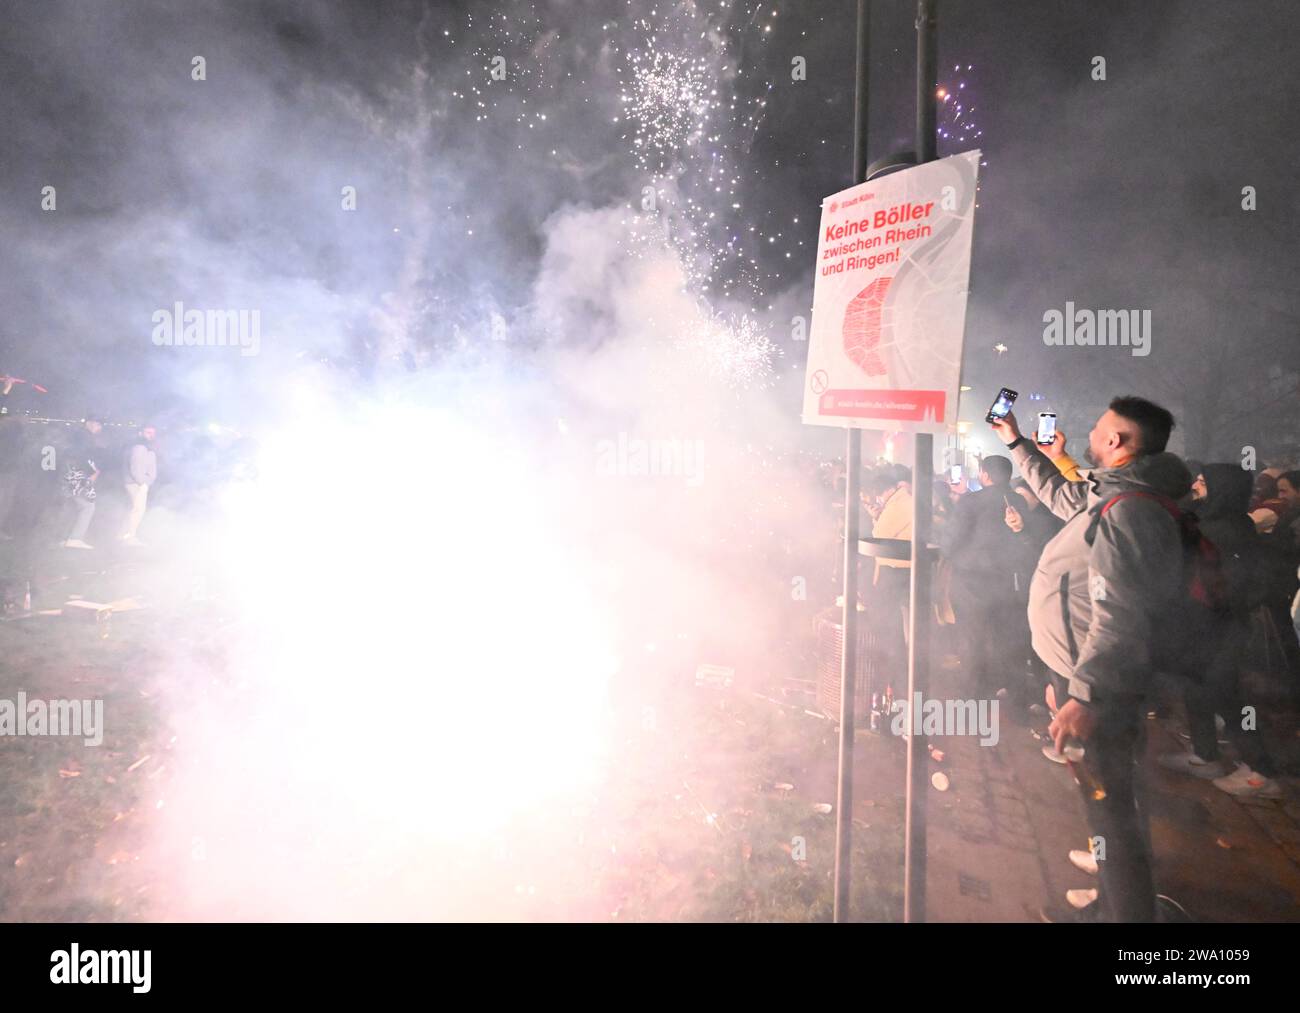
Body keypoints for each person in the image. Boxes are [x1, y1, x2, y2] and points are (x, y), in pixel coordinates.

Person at [991, 396, 1190, 923]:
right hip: (1081, 668)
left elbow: (1122, 611)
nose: (1090, 433)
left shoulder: (1131, 510)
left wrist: (1086, 695)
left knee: (1111, 808)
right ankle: (1112, 888)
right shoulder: (1114, 495)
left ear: (1117, 442)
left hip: (1096, 680)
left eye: (1099, 427)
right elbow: (1059, 494)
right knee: (1107, 796)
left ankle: (1125, 921)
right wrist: (1015, 442)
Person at [1158, 464, 1281, 796]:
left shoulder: (1222, 530)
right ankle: (1205, 755)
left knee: (1226, 695)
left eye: (1203, 481)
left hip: (1221, 627)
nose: (1196, 484)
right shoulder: (1216, 521)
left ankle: (1260, 772)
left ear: (1222, 489)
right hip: (1202, 624)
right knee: (1196, 688)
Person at [941, 455, 1021, 703]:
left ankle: (971, 692)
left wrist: (946, 552)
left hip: (971, 581)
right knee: (999, 634)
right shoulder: (1017, 500)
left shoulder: (971, 501)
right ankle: (1002, 686)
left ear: (984, 475)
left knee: (971, 636)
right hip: (1005, 579)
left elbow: (953, 539)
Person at [61, 416, 102, 549]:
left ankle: (64, 537)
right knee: (88, 505)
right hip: (78, 474)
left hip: (68, 472)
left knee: (71, 504)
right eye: (97, 424)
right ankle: (75, 538)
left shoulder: (75, 434)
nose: (99, 428)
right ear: (89, 424)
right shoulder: (85, 438)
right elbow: (84, 457)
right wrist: (93, 472)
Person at [120, 425, 158, 545]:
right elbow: (136, 468)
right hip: (136, 483)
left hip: (135, 482)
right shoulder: (140, 447)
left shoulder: (144, 446)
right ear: (140, 433)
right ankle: (130, 536)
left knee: (134, 509)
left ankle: (123, 534)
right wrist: (143, 483)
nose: (151, 435)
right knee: (138, 510)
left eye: (153, 433)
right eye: (148, 432)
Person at [0, 408, 23, 539]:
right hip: (8, 471)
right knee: (5, 502)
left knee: (5, 501)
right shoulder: (14, 431)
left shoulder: (8, 429)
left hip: (8, 470)